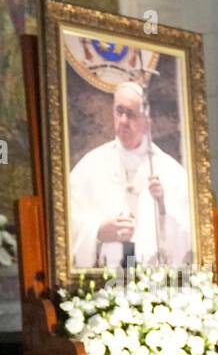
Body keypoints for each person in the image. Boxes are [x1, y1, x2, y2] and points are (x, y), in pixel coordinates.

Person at [68, 81, 193, 269]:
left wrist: (160, 209)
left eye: (131, 114)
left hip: (156, 281)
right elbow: (67, 223)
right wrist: (98, 231)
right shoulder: (90, 166)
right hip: (102, 278)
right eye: (119, 111)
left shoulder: (171, 172)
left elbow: (187, 233)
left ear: (147, 121)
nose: (124, 121)